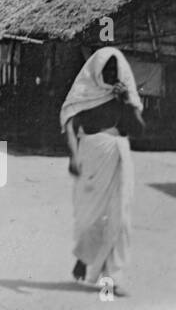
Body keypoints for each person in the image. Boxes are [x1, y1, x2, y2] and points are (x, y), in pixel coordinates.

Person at [59, 47, 145, 295]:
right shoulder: (85, 94)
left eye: (114, 70)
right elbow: (70, 125)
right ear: (96, 70)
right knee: (90, 218)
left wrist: (128, 101)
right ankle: (84, 257)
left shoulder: (123, 96)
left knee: (121, 217)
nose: (110, 75)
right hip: (91, 155)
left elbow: (139, 130)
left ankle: (112, 278)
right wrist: (74, 156)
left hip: (120, 154)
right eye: (106, 69)